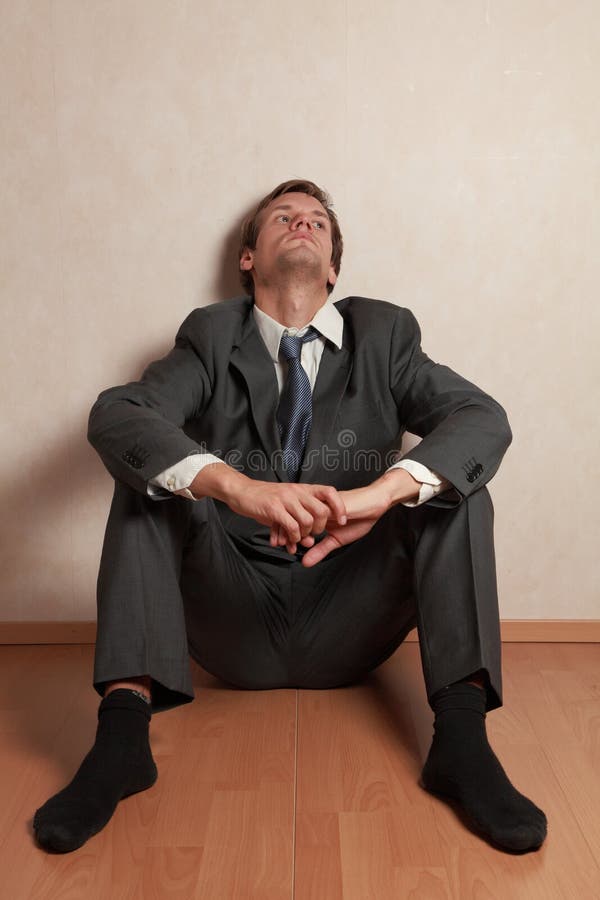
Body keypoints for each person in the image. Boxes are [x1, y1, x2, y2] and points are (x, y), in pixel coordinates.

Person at [33, 178, 547, 855]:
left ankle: (461, 742)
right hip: (231, 612)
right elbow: (119, 415)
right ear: (248, 257)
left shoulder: (386, 335)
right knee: (149, 477)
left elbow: (482, 418)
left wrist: (379, 495)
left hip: (351, 612)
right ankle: (123, 739)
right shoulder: (211, 336)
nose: (302, 223)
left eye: (318, 221)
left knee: (452, 487)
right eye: (283, 216)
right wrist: (235, 487)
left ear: (334, 265)